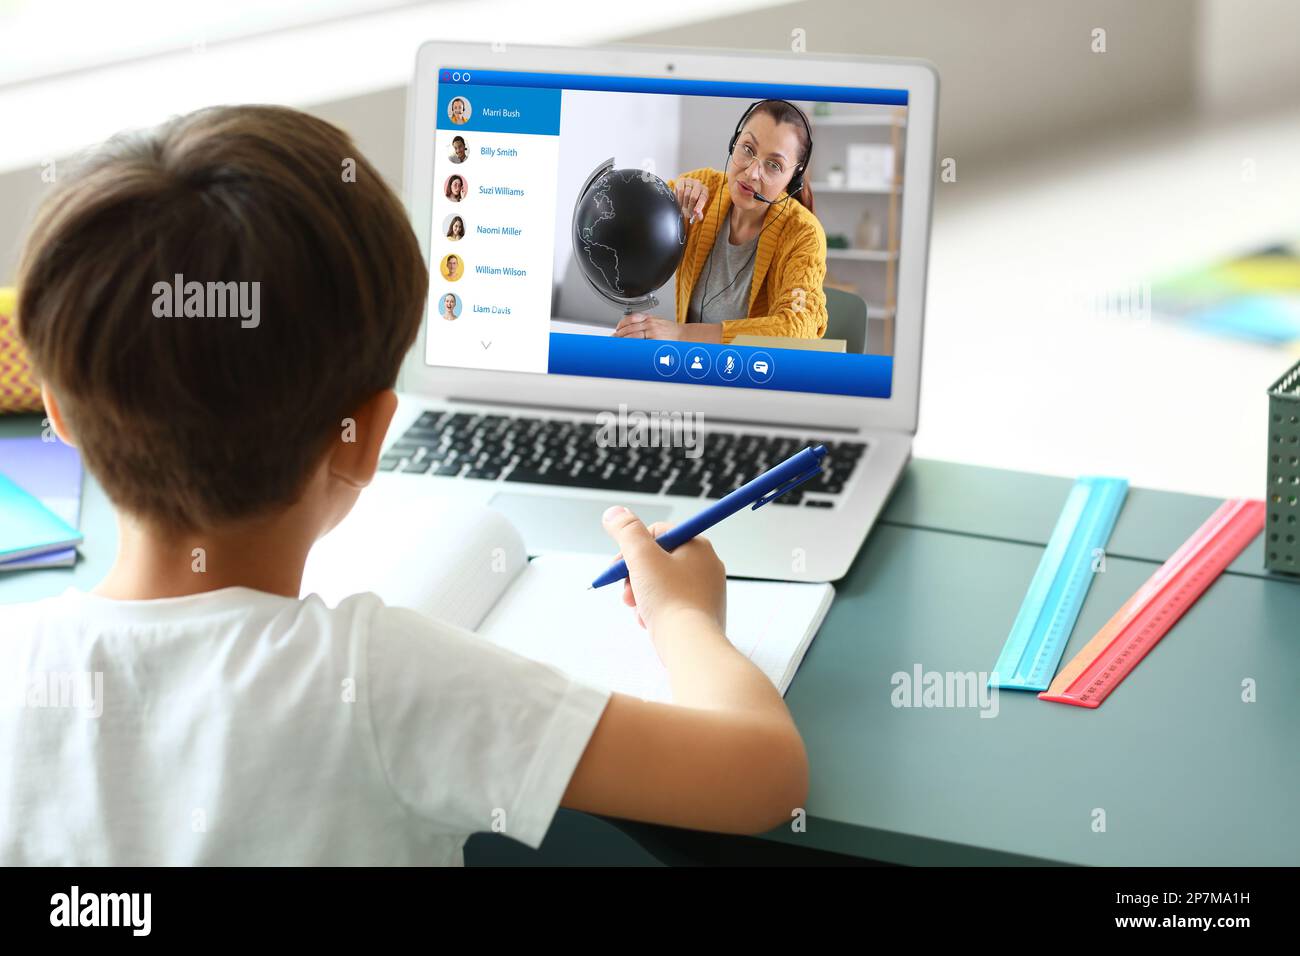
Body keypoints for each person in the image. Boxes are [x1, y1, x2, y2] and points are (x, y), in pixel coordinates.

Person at [0, 105, 807, 865]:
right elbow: (764, 774)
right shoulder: (387, 682)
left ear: (59, 415)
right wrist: (683, 616)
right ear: (365, 439)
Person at [613, 99, 828, 344]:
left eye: (773, 165)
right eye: (747, 148)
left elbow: (799, 329)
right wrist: (668, 204)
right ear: (733, 143)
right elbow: (632, 226)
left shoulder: (804, 233)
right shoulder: (703, 188)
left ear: (793, 179)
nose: (751, 173)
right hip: (691, 365)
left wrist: (682, 334)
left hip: (756, 373)